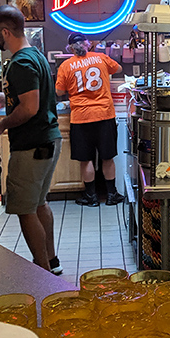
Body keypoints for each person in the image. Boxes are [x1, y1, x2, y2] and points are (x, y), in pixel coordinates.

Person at [0, 4, 62, 273]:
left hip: (32, 145)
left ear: (5, 32)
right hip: (48, 140)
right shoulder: (36, 56)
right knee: (39, 203)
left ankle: (41, 270)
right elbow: (27, 98)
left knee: (24, 209)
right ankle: (51, 261)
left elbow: (29, 108)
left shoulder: (20, 63)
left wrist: (1, 125)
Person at [55, 32, 125, 208]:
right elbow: (118, 69)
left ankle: (91, 197)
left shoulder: (66, 66)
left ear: (70, 48)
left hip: (81, 118)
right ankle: (111, 195)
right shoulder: (101, 58)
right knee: (107, 158)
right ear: (87, 44)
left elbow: (59, 91)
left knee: (86, 160)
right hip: (104, 115)